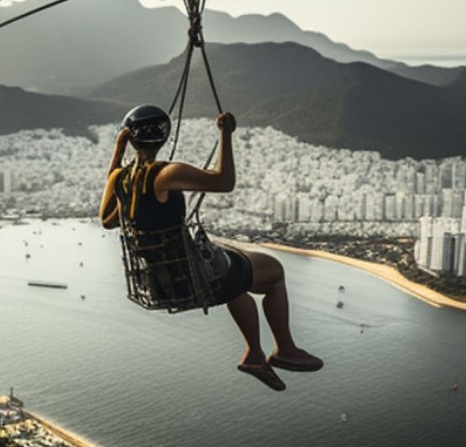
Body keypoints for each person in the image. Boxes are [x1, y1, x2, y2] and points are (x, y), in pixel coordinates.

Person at [98, 104, 322, 391]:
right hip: (193, 277)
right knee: (273, 270)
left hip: (158, 280)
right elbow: (224, 182)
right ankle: (285, 349)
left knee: (235, 267)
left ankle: (255, 355)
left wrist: (118, 153)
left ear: (129, 138)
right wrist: (225, 134)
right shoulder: (165, 174)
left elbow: (107, 220)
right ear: (164, 135)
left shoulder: (122, 179)